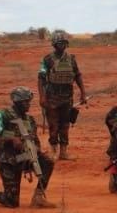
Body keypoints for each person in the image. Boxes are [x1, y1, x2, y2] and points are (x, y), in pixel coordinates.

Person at [0, 87, 56, 208]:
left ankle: (38, 197)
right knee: (12, 202)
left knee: (47, 162)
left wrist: (36, 149)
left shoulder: (30, 120)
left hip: (25, 157)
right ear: (18, 102)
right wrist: (10, 140)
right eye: (26, 102)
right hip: (9, 161)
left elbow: (35, 140)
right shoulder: (3, 115)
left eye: (29, 101)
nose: (29, 105)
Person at [37, 30, 88, 160]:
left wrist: (83, 92)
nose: (62, 45)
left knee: (65, 126)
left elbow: (78, 75)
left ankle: (63, 152)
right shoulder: (47, 60)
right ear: (54, 44)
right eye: (60, 43)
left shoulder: (71, 59)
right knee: (53, 127)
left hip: (67, 99)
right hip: (52, 99)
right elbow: (41, 78)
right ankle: (53, 151)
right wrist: (42, 97)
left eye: (64, 43)